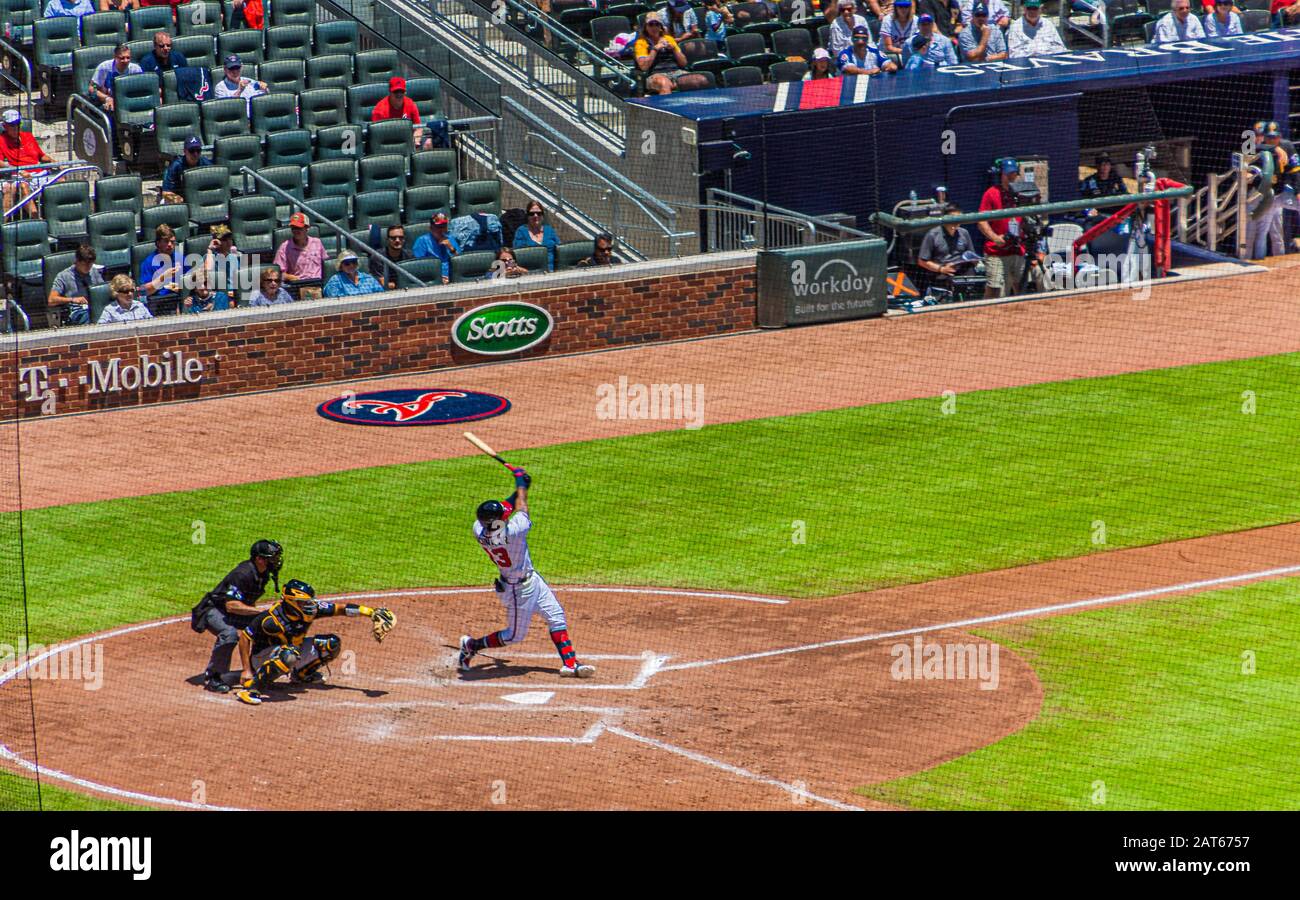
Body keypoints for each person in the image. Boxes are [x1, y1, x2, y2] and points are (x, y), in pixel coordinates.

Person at [458, 467, 596, 679]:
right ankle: (471, 645)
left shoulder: (479, 528)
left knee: (556, 617)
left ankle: (570, 664)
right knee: (514, 636)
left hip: (531, 579)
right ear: (497, 522)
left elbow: (505, 507)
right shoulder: (513, 532)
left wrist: (519, 487)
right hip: (516, 589)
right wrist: (522, 486)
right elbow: (522, 508)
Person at [233, 579, 395, 705]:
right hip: (262, 658)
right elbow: (245, 637)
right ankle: (252, 689)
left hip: (291, 651)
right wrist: (246, 670)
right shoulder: (270, 619)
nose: (309, 605)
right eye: (304, 602)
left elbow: (341, 609)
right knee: (289, 654)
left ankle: (302, 675)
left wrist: (370, 612)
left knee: (331, 644)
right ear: (291, 601)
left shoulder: (310, 611)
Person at [188, 540, 283, 694]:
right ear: (259, 559)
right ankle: (214, 677)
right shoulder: (243, 573)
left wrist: (260, 618)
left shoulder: (263, 573)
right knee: (229, 634)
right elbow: (231, 605)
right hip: (214, 610)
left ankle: (259, 670)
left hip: (233, 612)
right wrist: (260, 612)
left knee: (267, 625)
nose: (275, 562)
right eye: (272, 558)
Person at [978, 158, 1026, 298]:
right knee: (995, 289)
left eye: (1014, 174)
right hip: (996, 249)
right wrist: (995, 238)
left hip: (1017, 247)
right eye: (1008, 174)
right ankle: (986, 313)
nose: (1011, 177)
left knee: (1020, 285)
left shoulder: (1022, 192)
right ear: (1002, 175)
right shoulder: (991, 193)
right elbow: (981, 221)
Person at [0, 109, 54, 219]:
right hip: (19, 177)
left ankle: (56, 219)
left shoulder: (28, 136)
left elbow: (41, 156)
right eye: (12, 125)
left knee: (61, 179)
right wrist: (18, 170)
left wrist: (54, 162)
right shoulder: (1, 140)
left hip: (38, 173)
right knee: (22, 186)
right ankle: (37, 219)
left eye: (18, 124)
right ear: (5, 126)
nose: (16, 127)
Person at [917, 205, 977, 292]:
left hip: (961, 273)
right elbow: (922, 261)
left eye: (959, 219)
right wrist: (941, 269)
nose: (956, 222)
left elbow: (971, 254)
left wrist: (974, 260)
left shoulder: (964, 233)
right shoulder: (933, 234)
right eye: (953, 219)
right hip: (942, 274)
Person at [371, 77, 434, 151]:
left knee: (428, 143)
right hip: (389, 142)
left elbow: (418, 127)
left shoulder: (410, 103)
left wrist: (416, 139)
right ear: (390, 92)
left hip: (408, 140)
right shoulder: (379, 110)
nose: (399, 95)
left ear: (405, 92)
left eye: (401, 92)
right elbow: (376, 136)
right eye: (396, 92)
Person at [47, 244, 104, 326]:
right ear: (77, 261)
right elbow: (51, 300)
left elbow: (102, 291)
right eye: (85, 264)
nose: (88, 267)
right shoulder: (63, 276)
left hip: (96, 308)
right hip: (78, 311)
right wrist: (72, 299)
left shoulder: (94, 272)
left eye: (90, 264)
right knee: (93, 319)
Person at [635, 13, 691, 96]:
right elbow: (644, 66)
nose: (654, 27)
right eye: (651, 24)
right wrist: (655, 49)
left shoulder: (669, 39)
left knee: (698, 79)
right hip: (655, 74)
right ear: (646, 27)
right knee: (664, 83)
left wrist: (674, 49)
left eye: (657, 24)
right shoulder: (641, 43)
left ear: (661, 27)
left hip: (676, 71)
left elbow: (684, 63)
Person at [139, 223, 185, 315]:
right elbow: (144, 291)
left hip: (179, 301)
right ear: (158, 243)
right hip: (158, 306)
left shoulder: (179, 258)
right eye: (166, 241)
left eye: (172, 242)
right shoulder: (148, 263)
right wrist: (164, 277)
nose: (170, 245)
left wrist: (181, 287)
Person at [89, 43, 142, 115]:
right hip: (110, 102)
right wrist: (106, 98)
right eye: (122, 58)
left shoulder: (136, 69)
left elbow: (141, 90)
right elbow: (93, 87)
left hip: (129, 102)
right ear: (115, 57)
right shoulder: (104, 67)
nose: (126, 61)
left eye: (128, 57)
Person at [411, 212, 460, 284]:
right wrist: (438, 278)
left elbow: (460, 264)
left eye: (444, 226)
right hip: (432, 281)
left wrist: (451, 248)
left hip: (453, 279)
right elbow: (419, 268)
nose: (442, 230)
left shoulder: (451, 239)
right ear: (431, 228)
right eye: (439, 227)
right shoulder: (422, 241)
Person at [159, 136, 210, 205]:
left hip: (200, 198)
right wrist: (176, 198)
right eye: (192, 151)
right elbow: (165, 192)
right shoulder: (176, 166)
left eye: (198, 150)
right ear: (185, 151)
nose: (195, 154)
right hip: (180, 198)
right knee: (163, 203)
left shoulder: (206, 164)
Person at [512, 200, 560, 271]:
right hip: (530, 273)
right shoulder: (521, 231)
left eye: (539, 213)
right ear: (527, 216)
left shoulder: (549, 230)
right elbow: (518, 255)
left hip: (551, 271)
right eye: (532, 213)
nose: (535, 216)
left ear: (543, 215)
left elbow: (559, 249)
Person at [203, 224, 241, 302]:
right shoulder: (209, 257)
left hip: (234, 296)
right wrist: (210, 249)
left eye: (230, 238)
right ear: (216, 241)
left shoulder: (235, 257)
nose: (228, 242)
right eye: (224, 239)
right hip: (217, 296)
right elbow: (207, 273)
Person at [372, 224, 414, 291]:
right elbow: (383, 283)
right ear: (387, 239)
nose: (397, 240)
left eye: (401, 237)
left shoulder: (410, 256)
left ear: (404, 239)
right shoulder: (378, 257)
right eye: (393, 238)